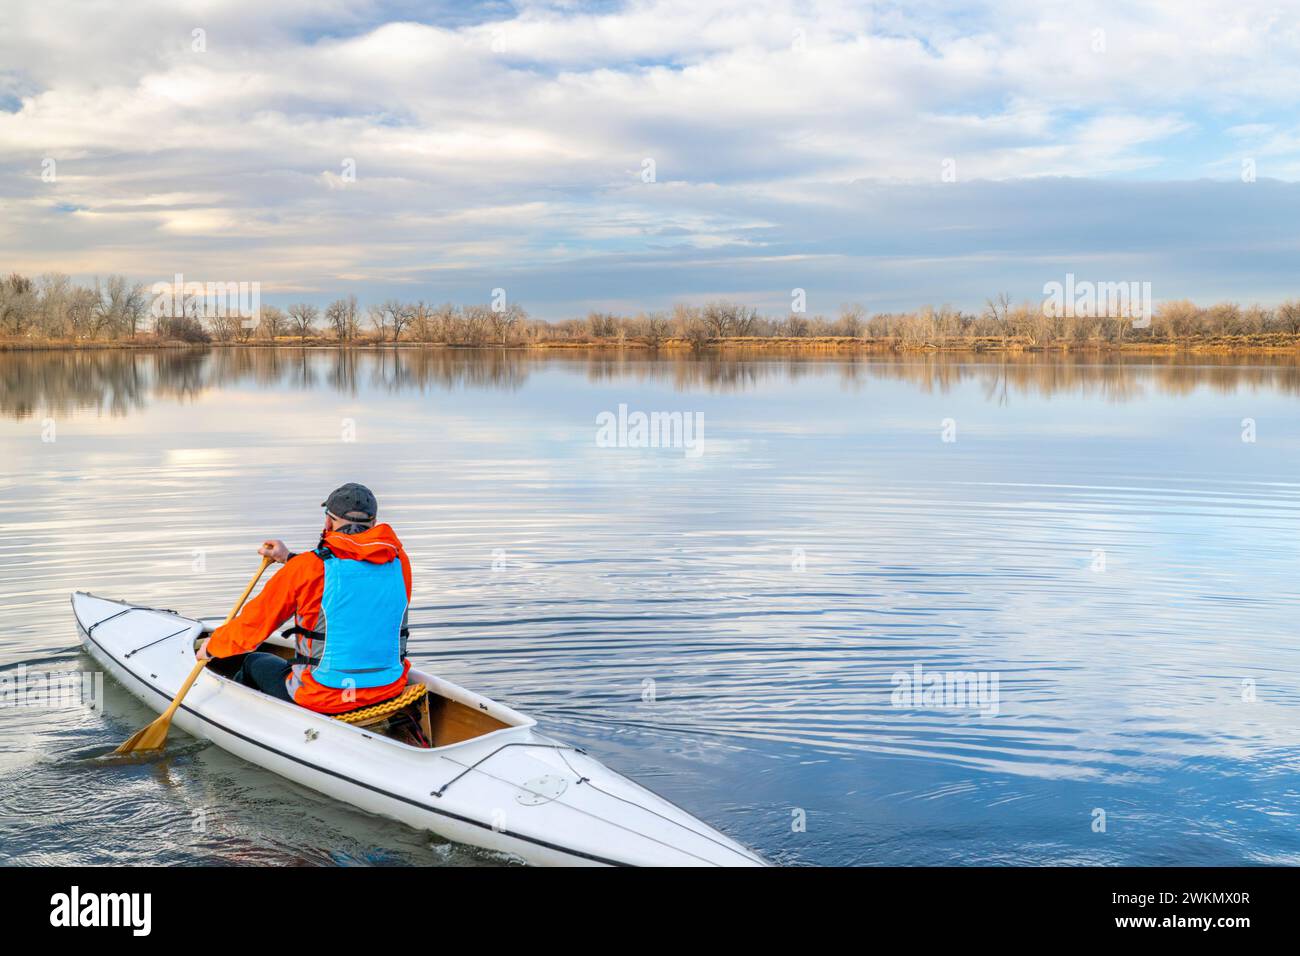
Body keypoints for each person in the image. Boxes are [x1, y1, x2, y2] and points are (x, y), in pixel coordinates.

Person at [196, 483, 412, 714]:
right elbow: (352, 576)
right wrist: (288, 558)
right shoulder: (400, 563)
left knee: (253, 662)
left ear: (328, 521)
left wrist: (212, 648)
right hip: (388, 689)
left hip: (322, 696)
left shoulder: (307, 568)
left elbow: (252, 628)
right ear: (374, 523)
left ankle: (236, 720)